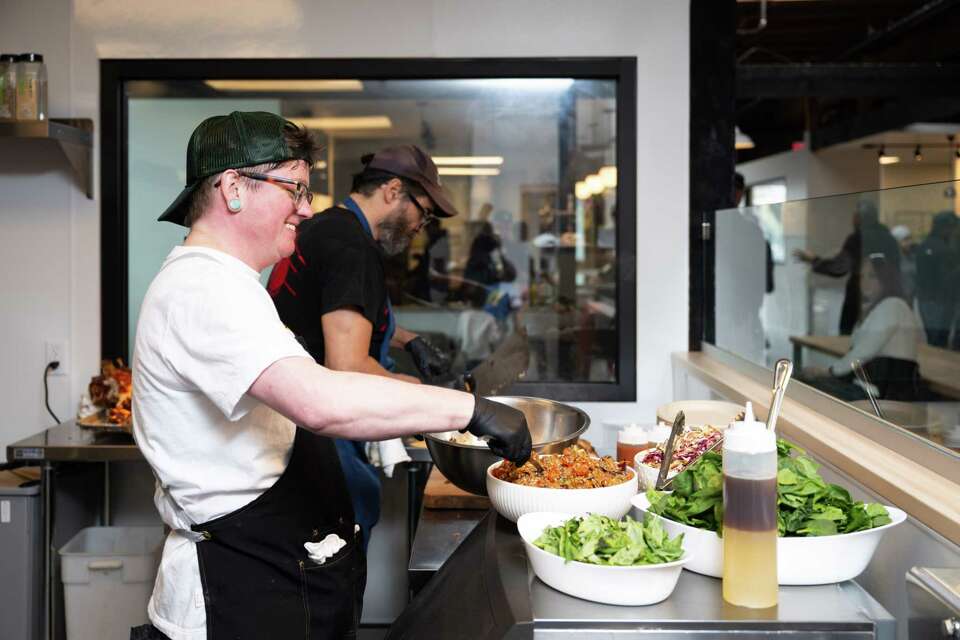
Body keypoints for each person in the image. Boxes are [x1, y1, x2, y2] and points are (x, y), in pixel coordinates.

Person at [130, 112, 531, 640]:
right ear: (233, 188)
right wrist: (468, 410)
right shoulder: (202, 288)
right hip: (233, 593)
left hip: (264, 571)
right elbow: (319, 398)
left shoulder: (230, 282)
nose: (306, 206)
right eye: (294, 188)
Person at [267, 145, 457, 550]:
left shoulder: (325, 228)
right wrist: (433, 402)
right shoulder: (353, 249)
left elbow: (336, 316)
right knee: (337, 559)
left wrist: (409, 339)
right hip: (323, 439)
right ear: (392, 190)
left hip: (292, 428)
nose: (421, 225)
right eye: (422, 211)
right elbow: (348, 363)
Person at [802, 254, 925, 402]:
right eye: (862, 276)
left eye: (872, 276)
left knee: (806, 386)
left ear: (886, 279)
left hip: (880, 395)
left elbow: (862, 352)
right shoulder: (877, 307)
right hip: (871, 388)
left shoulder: (893, 305)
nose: (865, 282)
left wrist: (828, 371)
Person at [794, 200, 900, 335]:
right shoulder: (889, 238)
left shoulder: (857, 238)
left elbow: (839, 268)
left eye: (855, 216)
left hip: (859, 292)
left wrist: (814, 260)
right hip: (887, 293)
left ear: (860, 218)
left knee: (846, 332)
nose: (853, 219)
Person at [916, 211, 959, 347]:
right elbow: (948, 280)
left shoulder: (923, 246)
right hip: (941, 301)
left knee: (932, 339)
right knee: (940, 340)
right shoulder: (946, 250)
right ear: (945, 228)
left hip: (924, 300)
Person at [891, 224, 917, 305]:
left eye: (910, 239)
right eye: (905, 239)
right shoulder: (891, 260)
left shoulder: (913, 257)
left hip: (912, 300)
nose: (910, 242)